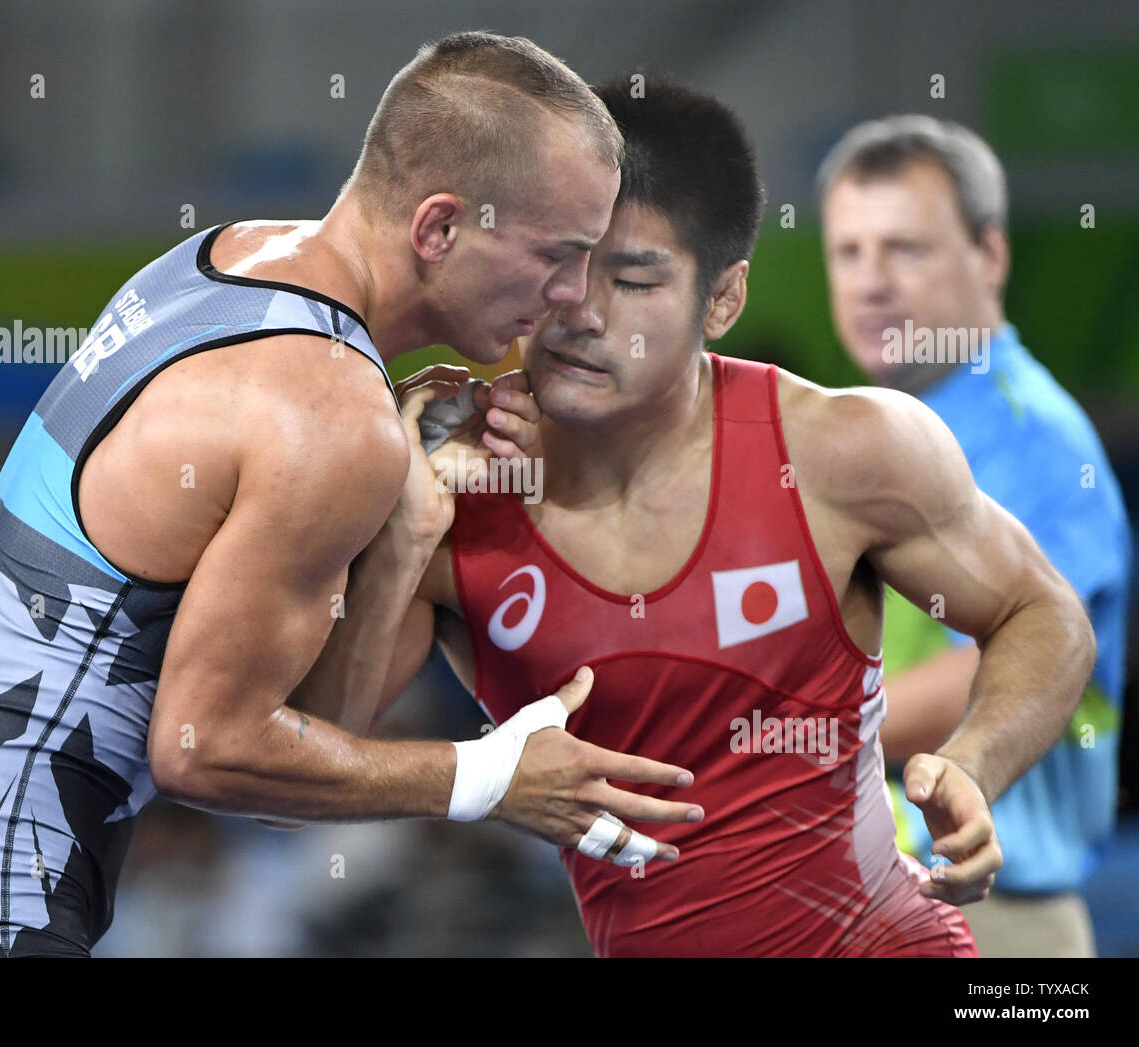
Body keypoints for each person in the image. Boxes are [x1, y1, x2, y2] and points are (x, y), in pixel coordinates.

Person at [0, 32, 704, 959]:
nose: (574, 297)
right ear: (440, 229)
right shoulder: (329, 411)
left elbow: (303, 752)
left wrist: (407, 526)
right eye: (558, 254)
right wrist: (487, 777)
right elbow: (201, 748)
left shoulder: (222, 255)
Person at [295, 78, 1098, 957]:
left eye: (634, 280)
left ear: (723, 301)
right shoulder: (445, 492)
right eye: (559, 264)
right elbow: (302, 762)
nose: (582, 312)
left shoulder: (847, 450)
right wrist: (407, 531)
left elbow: (1047, 613)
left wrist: (976, 764)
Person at [818, 115, 1132, 956]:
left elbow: (1013, 659)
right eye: (848, 252)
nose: (871, 281)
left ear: (990, 255)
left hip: (994, 917)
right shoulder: (879, 429)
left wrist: (771, 743)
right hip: (877, 903)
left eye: (905, 248)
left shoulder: (1037, 438)